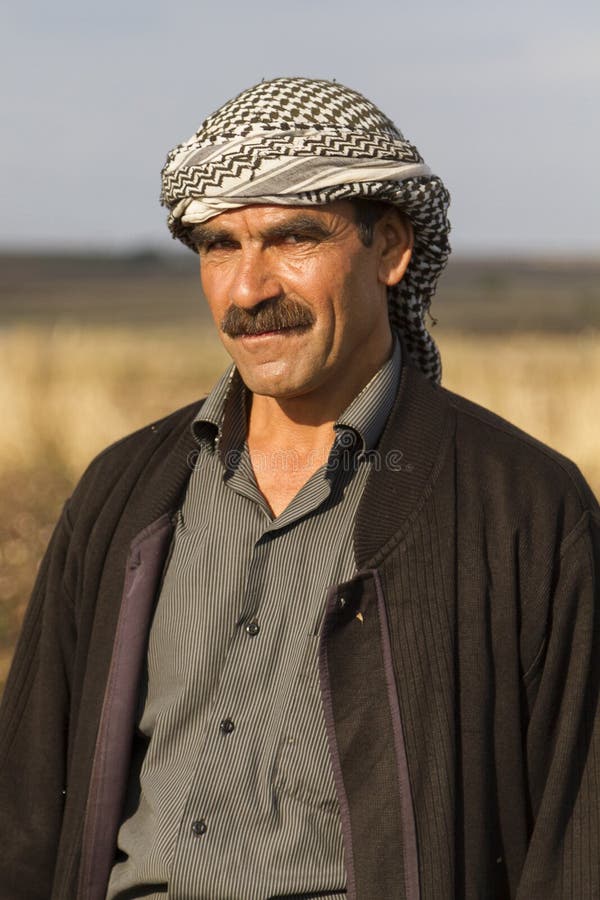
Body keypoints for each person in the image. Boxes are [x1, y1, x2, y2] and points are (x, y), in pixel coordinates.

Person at [0, 77, 598, 900]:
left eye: (292, 238)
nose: (248, 291)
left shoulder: (523, 510)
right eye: (218, 246)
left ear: (390, 250)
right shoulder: (123, 494)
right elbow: (27, 810)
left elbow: (578, 839)